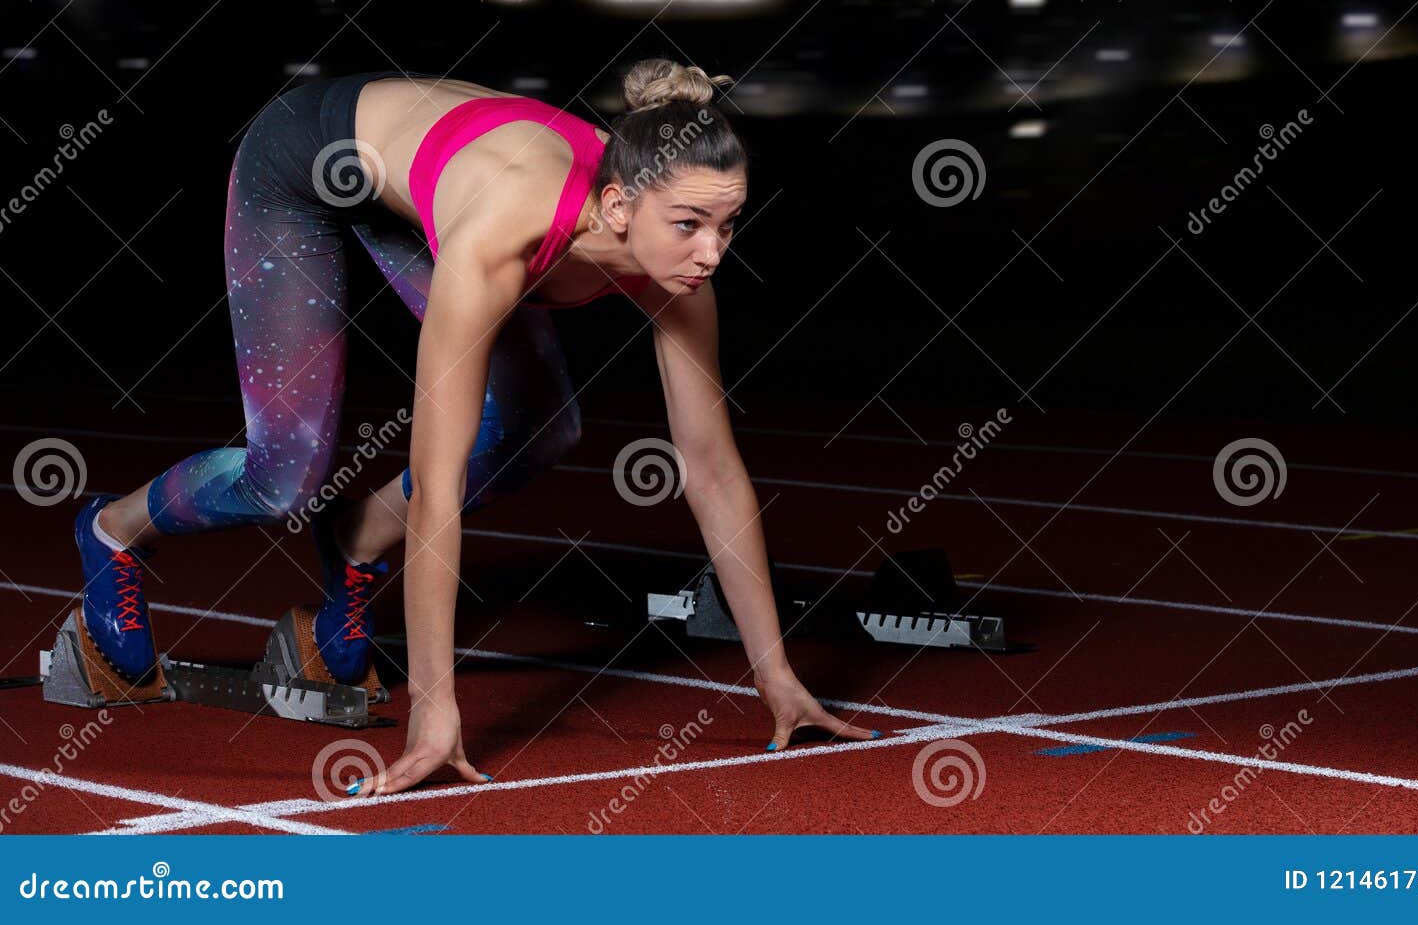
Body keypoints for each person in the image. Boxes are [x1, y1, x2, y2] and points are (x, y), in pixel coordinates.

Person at [70, 58, 878, 795]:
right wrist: (435, 708)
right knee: (286, 473)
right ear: (619, 206)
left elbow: (711, 467)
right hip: (301, 162)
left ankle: (353, 540)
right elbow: (439, 479)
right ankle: (111, 530)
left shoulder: (671, 247)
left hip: (424, 180)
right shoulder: (504, 233)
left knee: (538, 430)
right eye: (691, 225)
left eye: (727, 225)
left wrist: (776, 675)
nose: (711, 254)